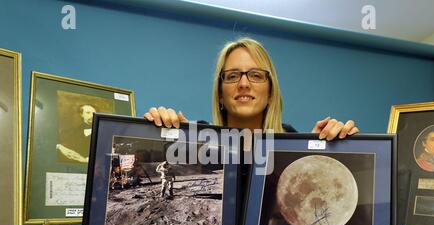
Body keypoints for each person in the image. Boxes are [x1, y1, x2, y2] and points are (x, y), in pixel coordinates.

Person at [143, 37, 359, 138]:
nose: (244, 84)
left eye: (256, 75)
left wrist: (321, 150)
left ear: (271, 92)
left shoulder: (294, 146)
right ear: (219, 93)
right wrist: (162, 133)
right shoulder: (194, 141)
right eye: (233, 76)